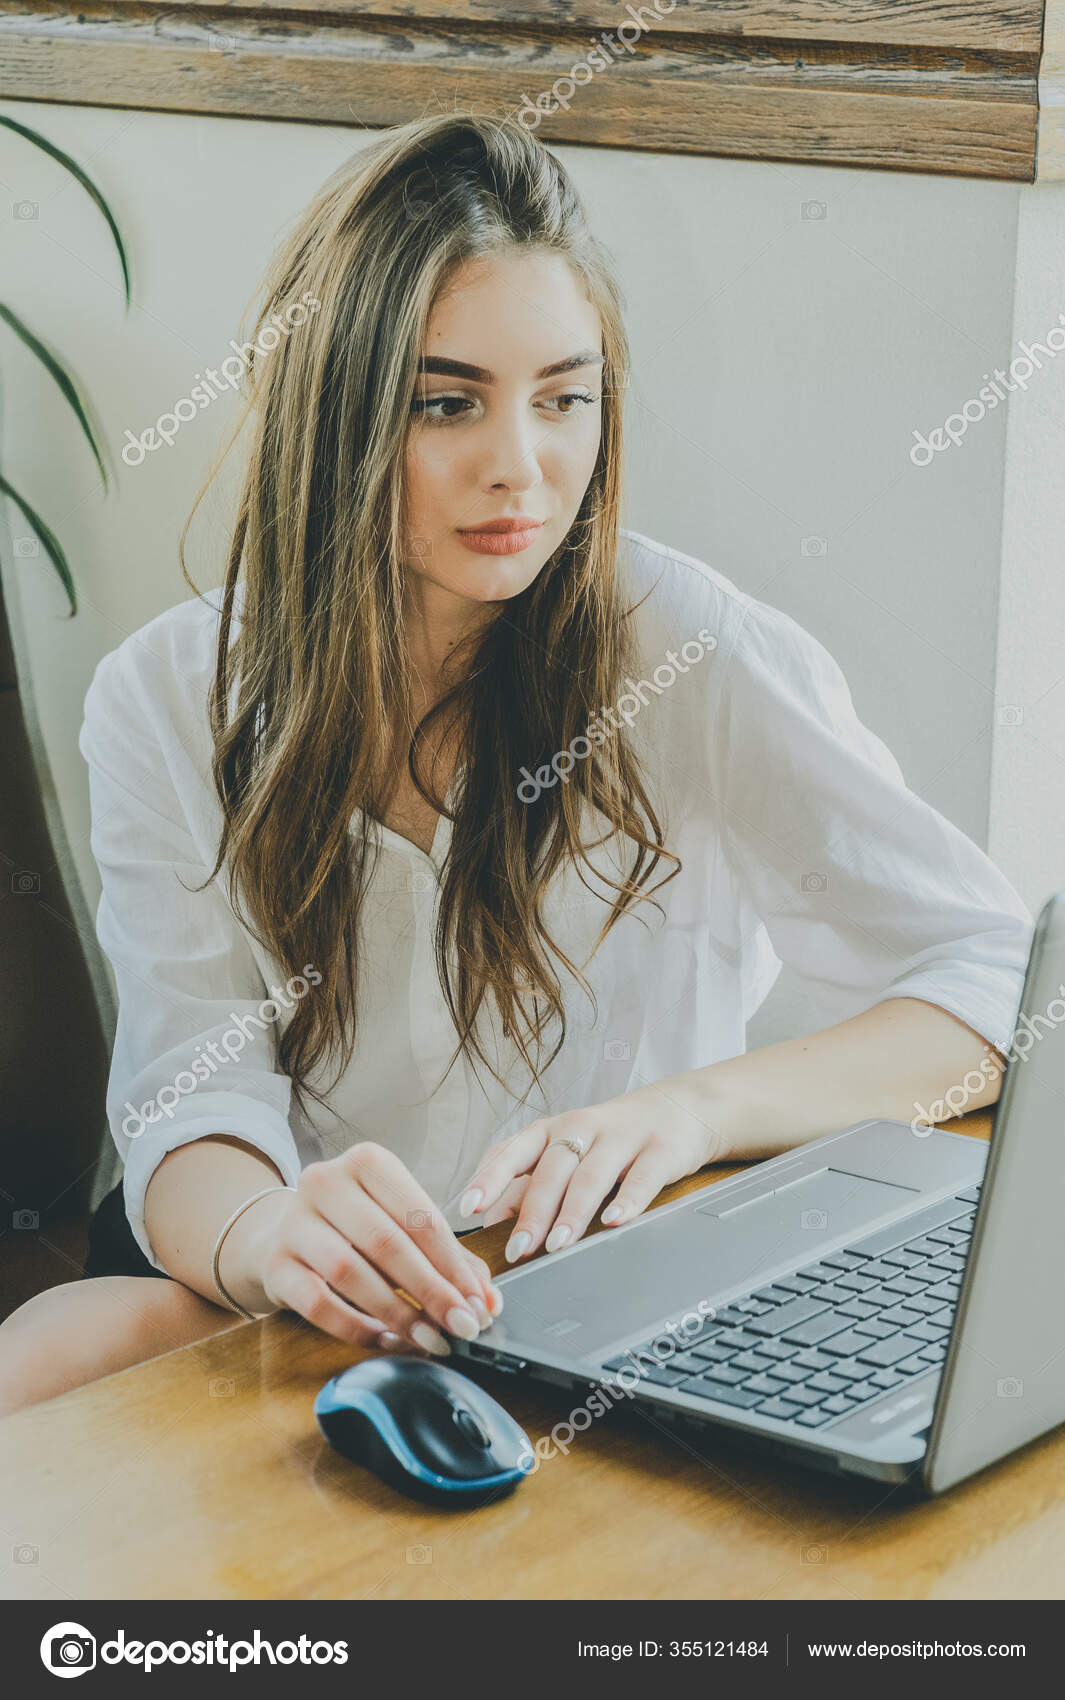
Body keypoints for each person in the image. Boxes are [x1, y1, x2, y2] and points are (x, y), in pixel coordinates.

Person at [0, 111, 1033, 1416]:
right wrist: (271, 1237)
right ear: (335, 412)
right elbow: (185, 1084)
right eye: (447, 404)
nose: (520, 470)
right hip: (293, 1278)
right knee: (55, 1351)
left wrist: (692, 1113)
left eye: (563, 399)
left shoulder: (684, 652)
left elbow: (997, 987)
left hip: (573, 1291)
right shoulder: (163, 694)